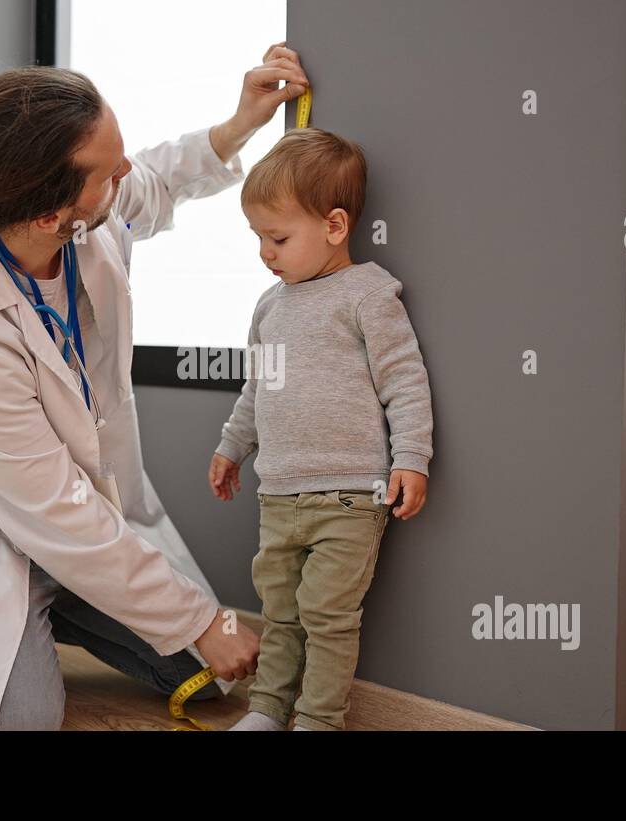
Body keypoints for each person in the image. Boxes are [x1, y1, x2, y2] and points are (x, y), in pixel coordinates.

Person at [0, 47, 311, 730]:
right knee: (25, 720)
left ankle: (59, 597)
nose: (126, 173)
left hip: (66, 516)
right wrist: (199, 617)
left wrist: (239, 124)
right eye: (109, 171)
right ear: (50, 213)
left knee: (200, 673)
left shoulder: (73, 217)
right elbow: (55, 515)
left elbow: (155, 181)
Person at [208, 128, 434, 730]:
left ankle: (319, 719)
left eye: (277, 237)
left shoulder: (367, 295)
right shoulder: (269, 306)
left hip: (349, 496)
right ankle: (266, 710)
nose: (265, 252)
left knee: (328, 617)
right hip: (278, 493)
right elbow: (257, 388)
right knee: (279, 614)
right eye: (258, 237)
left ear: (335, 226)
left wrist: (412, 457)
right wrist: (233, 445)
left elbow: (404, 381)